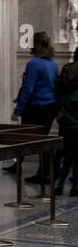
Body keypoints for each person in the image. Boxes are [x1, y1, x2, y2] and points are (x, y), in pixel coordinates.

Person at [12, 31, 60, 184]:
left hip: (36, 108)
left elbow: (28, 88)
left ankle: (45, 171)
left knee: (35, 141)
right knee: (43, 139)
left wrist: (18, 110)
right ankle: (46, 171)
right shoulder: (53, 63)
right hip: (51, 106)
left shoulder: (34, 63)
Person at [52, 48, 78, 196]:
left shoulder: (65, 96)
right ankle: (75, 187)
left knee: (67, 158)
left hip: (67, 128)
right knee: (77, 161)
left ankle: (60, 185)